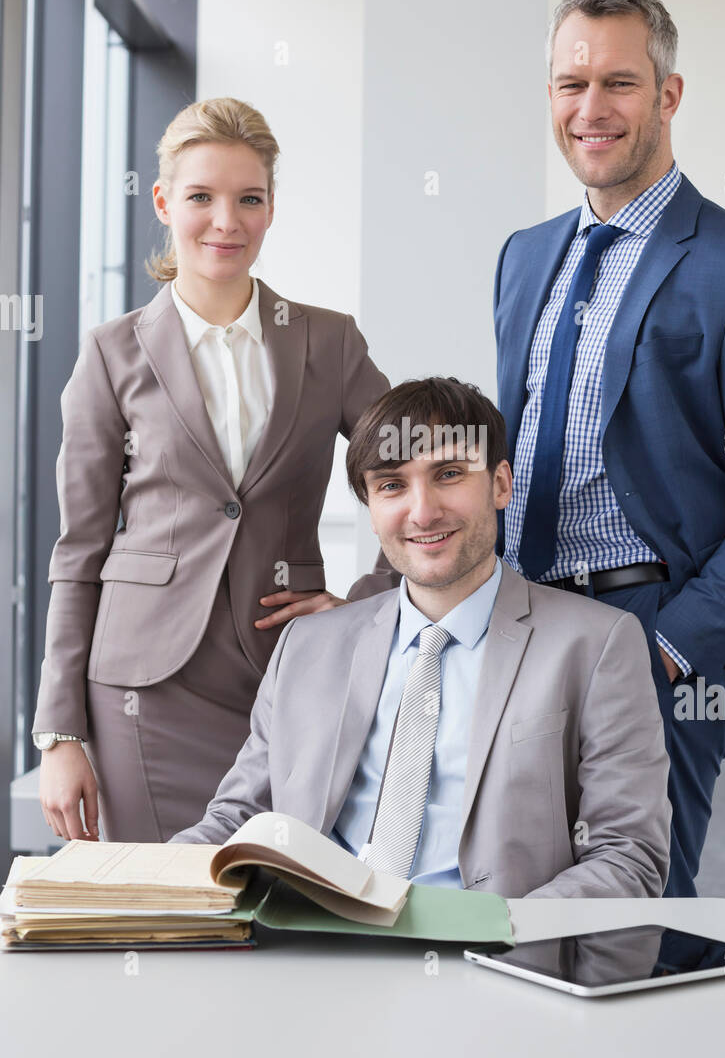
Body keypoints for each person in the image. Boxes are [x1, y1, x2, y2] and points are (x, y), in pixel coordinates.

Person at [493, 0, 725, 897]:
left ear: (668, 94)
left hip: (653, 631)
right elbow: (513, 454)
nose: (591, 108)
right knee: (516, 890)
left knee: (636, 909)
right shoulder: (525, 255)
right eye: (570, 85)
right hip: (519, 622)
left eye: (619, 83)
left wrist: (667, 648)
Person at [34, 97, 391, 844]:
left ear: (270, 209)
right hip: (143, 692)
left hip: (284, 675)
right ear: (165, 202)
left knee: (276, 906)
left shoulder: (327, 341)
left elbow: (416, 472)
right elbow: (79, 552)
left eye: (248, 199)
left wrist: (366, 605)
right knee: (165, 911)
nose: (225, 221)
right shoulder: (112, 351)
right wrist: (60, 731)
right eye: (201, 197)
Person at [172, 377, 671, 902]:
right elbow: (239, 818)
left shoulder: (597, 646)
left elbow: (627, 855)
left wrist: (493, 933)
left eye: (449, 474)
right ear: (369, 506)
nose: (424, 512)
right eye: (392, 485)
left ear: (500, 484)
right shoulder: (306, 645)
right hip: (310, 946)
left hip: (489, 955)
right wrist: (138, 882)